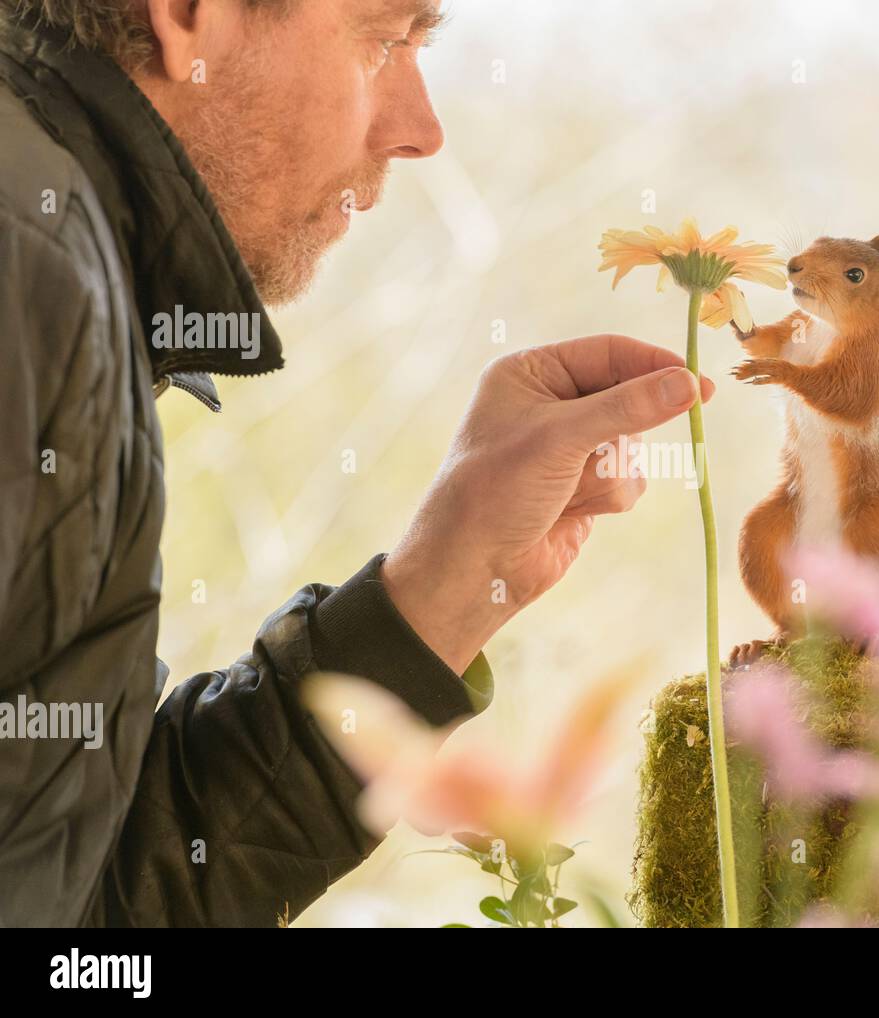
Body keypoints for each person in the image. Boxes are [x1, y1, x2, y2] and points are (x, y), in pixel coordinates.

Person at [0, 0, 712, 926]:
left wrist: (440, 591)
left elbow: (69, 899)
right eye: (382, 40)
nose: (422, 131)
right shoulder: (36, 277)